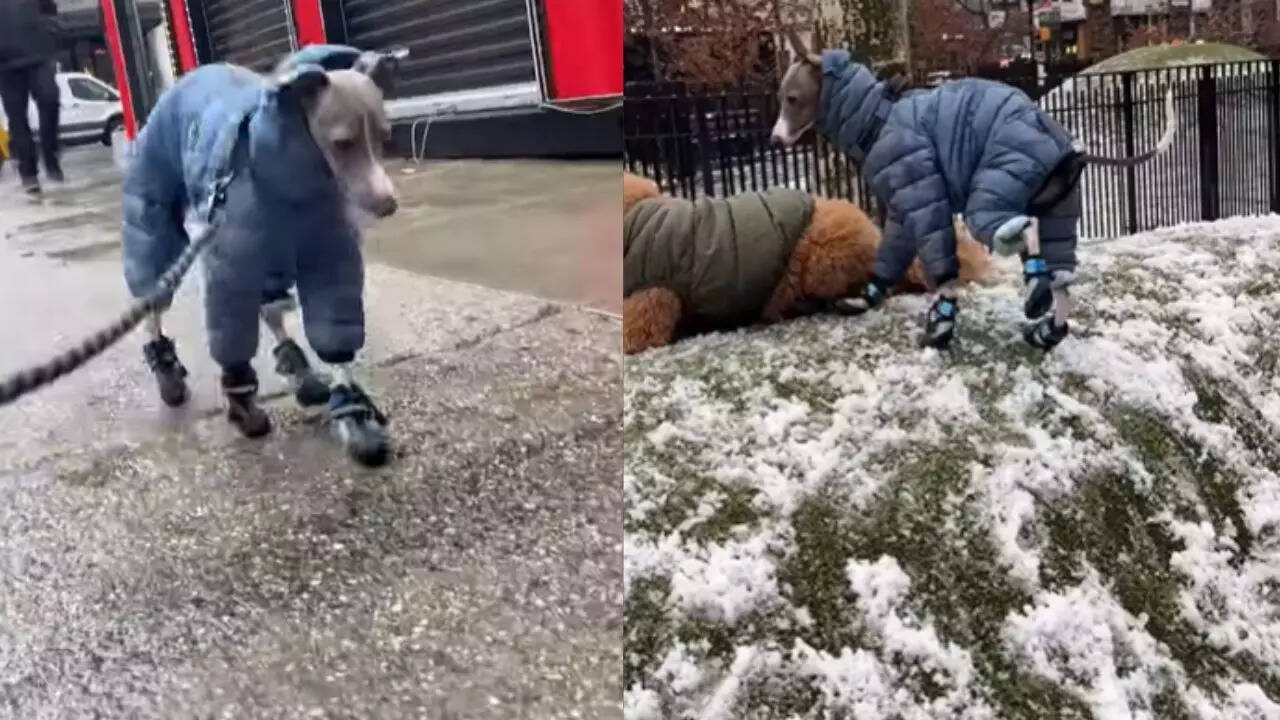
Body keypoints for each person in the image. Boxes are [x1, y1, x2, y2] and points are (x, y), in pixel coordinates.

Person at [0, 0, 64, 194]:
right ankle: (28, 173)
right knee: (17, 119)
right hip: (5, 65)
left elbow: (50, 9)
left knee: (50, 98)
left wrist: (50, 32)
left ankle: (50, 153)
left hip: (38, 55)